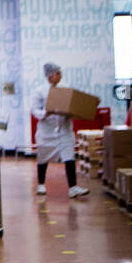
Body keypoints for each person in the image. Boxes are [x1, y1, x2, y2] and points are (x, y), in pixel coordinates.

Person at [31, 62, 88, 198]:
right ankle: (41, 184)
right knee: (43, 157)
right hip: (47, 131)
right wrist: (46, 113)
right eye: (58, 73)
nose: (60, 75)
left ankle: (73, 187)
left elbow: (73, 105)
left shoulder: (66, 88)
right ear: (50, 76)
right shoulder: (40, 91)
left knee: (69, 156)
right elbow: (34, 110)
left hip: (64, 130)